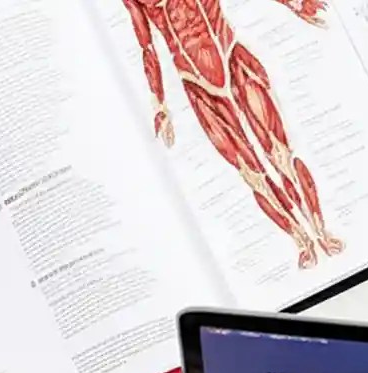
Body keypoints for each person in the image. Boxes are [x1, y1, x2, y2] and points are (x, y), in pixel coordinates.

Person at [121, 0, 344, 270]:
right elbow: (147, 46)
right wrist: (160, 104)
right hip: (197, 85)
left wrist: (295, 4)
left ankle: (320, 229)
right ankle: (300, 238)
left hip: (232, 57)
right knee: (253, 175)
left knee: (281, 153)